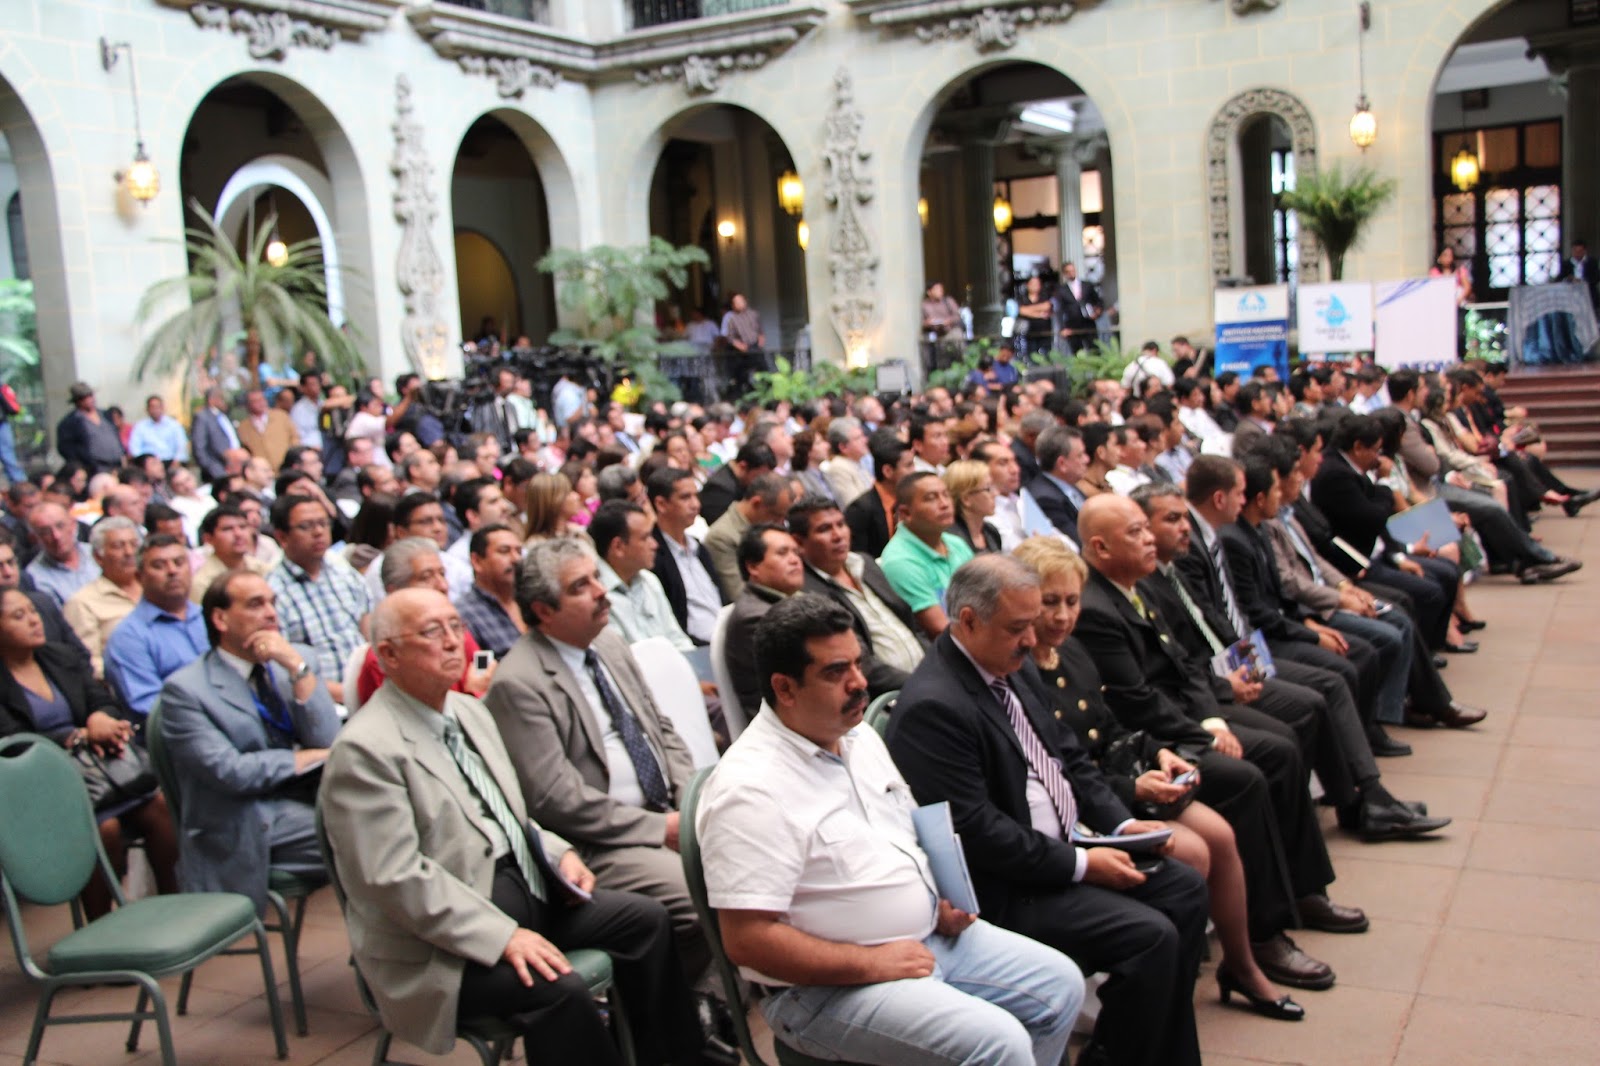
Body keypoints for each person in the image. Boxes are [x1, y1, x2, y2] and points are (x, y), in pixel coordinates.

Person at [320, 588, 715, 1064]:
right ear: (389, 655)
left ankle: (671, 1057)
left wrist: (559, 852)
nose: (452, 641)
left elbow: (507, 813)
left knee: (645, 921)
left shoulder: (467, 710)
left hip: (524, 894)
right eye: (431, 632)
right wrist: (500, 935)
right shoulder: (365, 751)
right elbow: (394, 878)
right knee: (558, 988)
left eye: (455, 626)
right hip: (442, 943)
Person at [700, 593, 1085, 1066]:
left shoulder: (858, 737)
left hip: (927, 938)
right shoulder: (749, 788)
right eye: (835, 672)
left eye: (858, 664)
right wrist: (872, 963)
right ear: (785, 687)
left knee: (1061, 986)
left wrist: (941, 898)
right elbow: (748, 941)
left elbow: (906, 834)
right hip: (823, 989)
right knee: (998, 1043)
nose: (859, 683)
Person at [887, 555, 1209, 1066]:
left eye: (1031, 625)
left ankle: (1131, 1053)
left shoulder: (1009, 665)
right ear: (968, 620)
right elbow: (977, 831)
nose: (1032, 640)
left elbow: (1068, 759)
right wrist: (1082, 864)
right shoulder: (935, 706)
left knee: (1185, 890)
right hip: (1007, 885)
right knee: (1151, 938)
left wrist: (1121, 824)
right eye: (1018, 628)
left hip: (1063, 845)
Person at [1012, 536, 1302, 1019]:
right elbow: (1056, 767)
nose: (1062, 616)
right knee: (1192, 851)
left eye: (1071, 601)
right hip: (1083, 802)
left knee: (1221, 835)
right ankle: (1161, 991)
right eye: (1049, 603)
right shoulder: (1020, 671)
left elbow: (1108, 727)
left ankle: (1242, 964)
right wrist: (1131, 788)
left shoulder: (1073, 653)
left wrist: (1159, 753)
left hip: (1117, 781)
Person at [483, 538, 710, 988]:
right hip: (600, 844)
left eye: (595, 577)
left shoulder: (608, 643)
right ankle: (683, 1008)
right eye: (580, 586)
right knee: (701, 896)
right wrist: (658, 829)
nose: (601, 591)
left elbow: (661, 729)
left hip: (666, 812)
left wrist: (686, 800)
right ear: (543, 610)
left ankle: (720, 996)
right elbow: (555, 798)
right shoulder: (519, 683)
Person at [156, 570, 339, 913]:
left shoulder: (292, 660)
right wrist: (299, 759)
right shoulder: (186, 690)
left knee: (391, 818)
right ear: (220, 619)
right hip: (245, 819)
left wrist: (297, 668)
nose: (271, 614)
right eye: (256, 605)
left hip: (306, 795)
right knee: (361, 836)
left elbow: (330, 741)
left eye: (272, 603)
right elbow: (231, 772)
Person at [0, 586, 181, 918]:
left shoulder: (59, 657)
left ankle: (174, 904)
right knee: (105, 828)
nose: (34, 620)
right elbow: (12, 740)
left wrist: (101, 717)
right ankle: (104, 923)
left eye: (33, 611)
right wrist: (77, 735)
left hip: (99, 774)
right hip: (40, 786)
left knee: (158, 806)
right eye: (18, 616)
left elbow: (102, 700)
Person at [355, 537, 491, 707]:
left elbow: (482, 661)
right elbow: (416, 716)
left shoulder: (452, 629)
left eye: (442, 574)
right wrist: (475, 693)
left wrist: (481, 679)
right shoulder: (387, 655)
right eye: (426, 577)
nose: (443, 585)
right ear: (395, 590)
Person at [266, 494, 372, 706]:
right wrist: (353, 695)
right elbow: (283, 667)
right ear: (282, 537)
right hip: (323, 703)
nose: (318, 532)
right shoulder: (273, 592)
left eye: (323, 523)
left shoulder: (345, 574)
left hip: (369, 691)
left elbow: (369, 634)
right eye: (306, 526)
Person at [103, 534, 210, 718]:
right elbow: (150, 707)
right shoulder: (129, 637)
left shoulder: (209, 617)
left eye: (179, 562)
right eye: (159, 566)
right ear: (139, 577)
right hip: (181, 727)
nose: (172, 571)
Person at [721, 524, 806, 714]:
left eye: (796, 552)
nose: (795, 560)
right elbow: (808, 677)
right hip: (790, 722)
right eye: (782, 553)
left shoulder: (794, 600)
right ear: (753, 567)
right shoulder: (756, 617)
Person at [878, 471, 974, 639]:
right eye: (931, 498)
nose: (944, 504)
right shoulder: (900, 561)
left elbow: (987, 597)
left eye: (946, 495)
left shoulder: (956, 544)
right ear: (906, 513)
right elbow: (940, 630)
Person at [590, 500, 695, 652]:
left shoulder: (649, 580)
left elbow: (677, 639)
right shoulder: (597, 594)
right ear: (618, 547)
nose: (654, 545)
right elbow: (618, 658)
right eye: (645, 538)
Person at [647, 468, 726, 647]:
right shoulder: (653, 556)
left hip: (723, 638)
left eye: (696, 496)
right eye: (685, 497)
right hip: (693, 646)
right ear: (661, 504)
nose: (695, 504)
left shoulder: (698, 546)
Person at [63, 516, 143, 678]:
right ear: (98, 557)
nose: (129, 552)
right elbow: (89, 662)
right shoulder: (82, 602)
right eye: (118, 546)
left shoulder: (156, 587)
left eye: (134, 545)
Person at [703, 472, 793, 602]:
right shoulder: (721, 537)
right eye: (777, 515)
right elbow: (737, 593)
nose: (781, 523)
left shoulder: (769, 527)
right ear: (756, 503)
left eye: (784, 517)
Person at [456, 524, 529, 660]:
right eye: (504, 551)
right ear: (477, 561)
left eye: (519, 552)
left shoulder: (532, 600)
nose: (516, 559)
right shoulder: (463, 614)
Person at [844, 430, 914, 559]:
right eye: (909, 466)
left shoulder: (908, 500)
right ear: (887, 471)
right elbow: (859, 558)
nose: (914, 471)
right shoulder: (861, 509)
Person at [24, 501, 101, 607]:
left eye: (60, 526)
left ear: (73, 525)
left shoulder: (99, 553)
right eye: (45, 532)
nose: (56, 536)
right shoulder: (36, 577)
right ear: (35, 538)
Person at [1027, 425, 1089, 546]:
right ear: (1062, 464)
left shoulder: (1069, 485)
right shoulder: (1046, 499)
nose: (1086, 459)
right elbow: (1077, 543)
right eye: (1080, 455)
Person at [56, 382, 125, 475]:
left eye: (90, 396)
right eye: (84, 398)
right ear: (77, 401)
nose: (89, 400)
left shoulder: (106, 415)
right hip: (94, 468)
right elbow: (66, 448)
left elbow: (115, 436)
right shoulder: (70, 422)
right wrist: (84, 465)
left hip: (117, 465)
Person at [944, 458, 1001, 554]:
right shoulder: (950, 538)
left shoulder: (991, 532)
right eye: (988, 489)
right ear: (966, 499)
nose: (996, 494)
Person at [236, 388, 300, 471]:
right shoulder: (243, 427)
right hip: (262, 471)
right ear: (248, 405)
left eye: (261, 399)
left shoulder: (281, 416)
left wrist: (293, 457)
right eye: (255, 401)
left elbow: (294, 437)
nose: (260, 403)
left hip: (287, 466)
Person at [821, 417, 873, 505]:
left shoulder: (857, 461)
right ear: (843, 447)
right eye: (858, 438)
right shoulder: (838, 468)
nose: (865, 440)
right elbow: (854, 505)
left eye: (862, 436)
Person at [1052, 262, 1102, 354]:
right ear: (1065, 274)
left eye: (1073, 270)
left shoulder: (1087, 285)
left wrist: (1097, 313)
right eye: (1068, 271)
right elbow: (1059, 310)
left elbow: (1098, 301)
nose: (1071, 273)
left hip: (1088, 323)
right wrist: (1062, 328)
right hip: (1072, 324)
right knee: (1077, 351)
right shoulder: (1062, 290)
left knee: (1094, 349)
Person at [127, 395, 190, 463]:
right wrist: (143, 462)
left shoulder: (174, 425)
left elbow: (181, 446)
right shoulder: (140, 426)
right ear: (147, 409)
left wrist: (177, 461)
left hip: (170, 462)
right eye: (152, 407)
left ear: (163, 408)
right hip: (147, 463)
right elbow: (135, 448)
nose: (155, 410)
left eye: (158, 407)